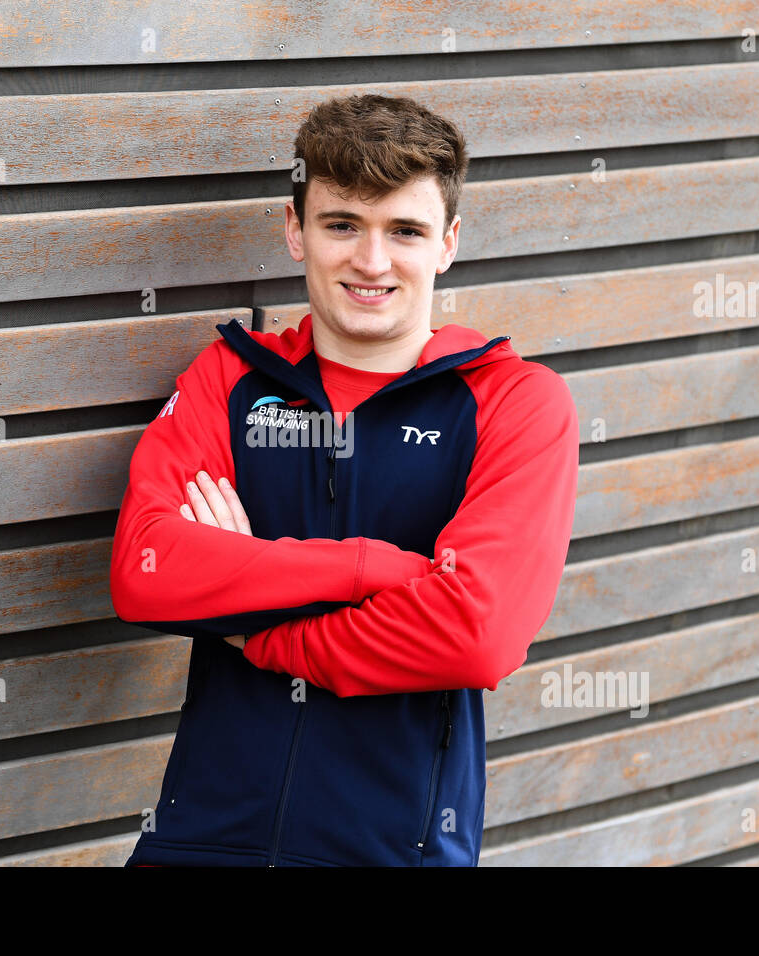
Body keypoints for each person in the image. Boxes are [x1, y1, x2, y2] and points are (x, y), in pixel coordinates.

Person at [109, 93, 579, 866]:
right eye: (342, 225)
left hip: (394, 852)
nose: (371, 261)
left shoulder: (515, 403)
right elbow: (146, 572)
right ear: (295, 231)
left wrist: (251, 625)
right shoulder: (231, 378)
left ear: (448, 244)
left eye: (404, 231)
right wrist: (372, 568)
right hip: (200, 844)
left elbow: (477, 635)